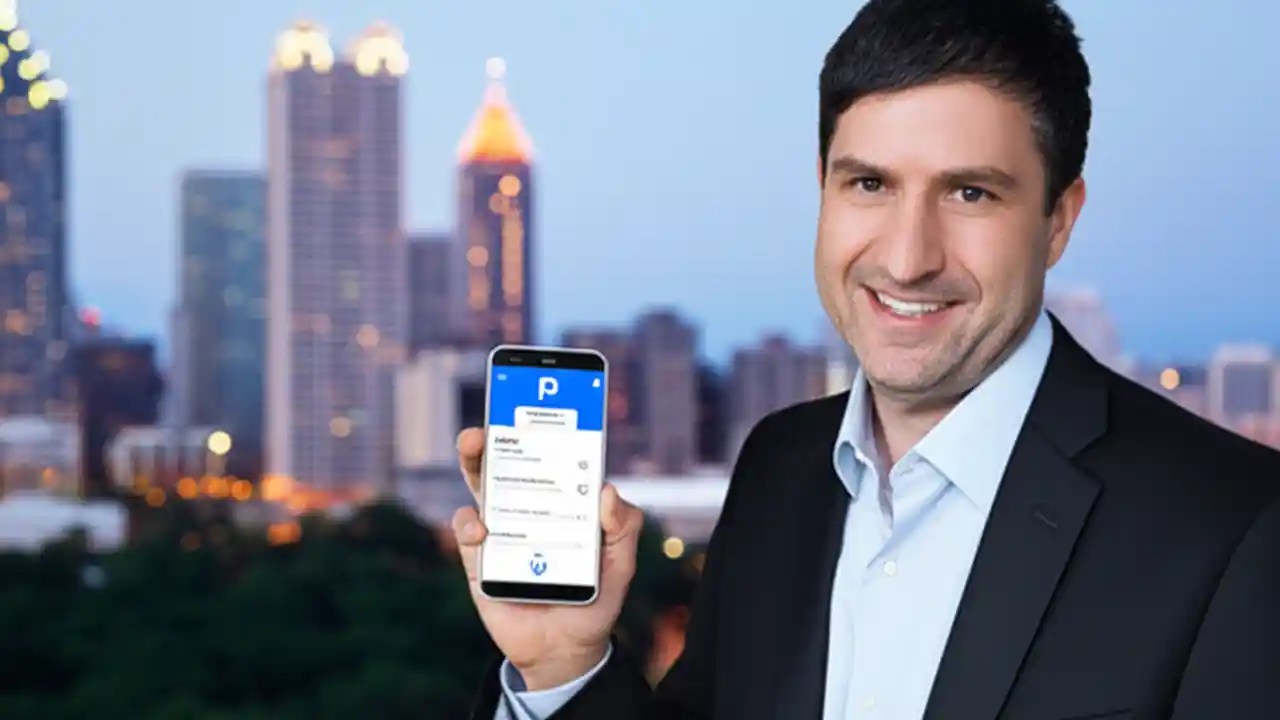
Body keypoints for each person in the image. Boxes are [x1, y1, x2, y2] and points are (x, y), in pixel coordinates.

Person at [451, 0, 1280, 717]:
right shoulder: (780, 467)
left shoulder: (1233, 525)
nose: (909, 257)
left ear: (1059, 220)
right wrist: (561, 666)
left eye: (970, 193)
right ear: (823, 186)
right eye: (870, 185)